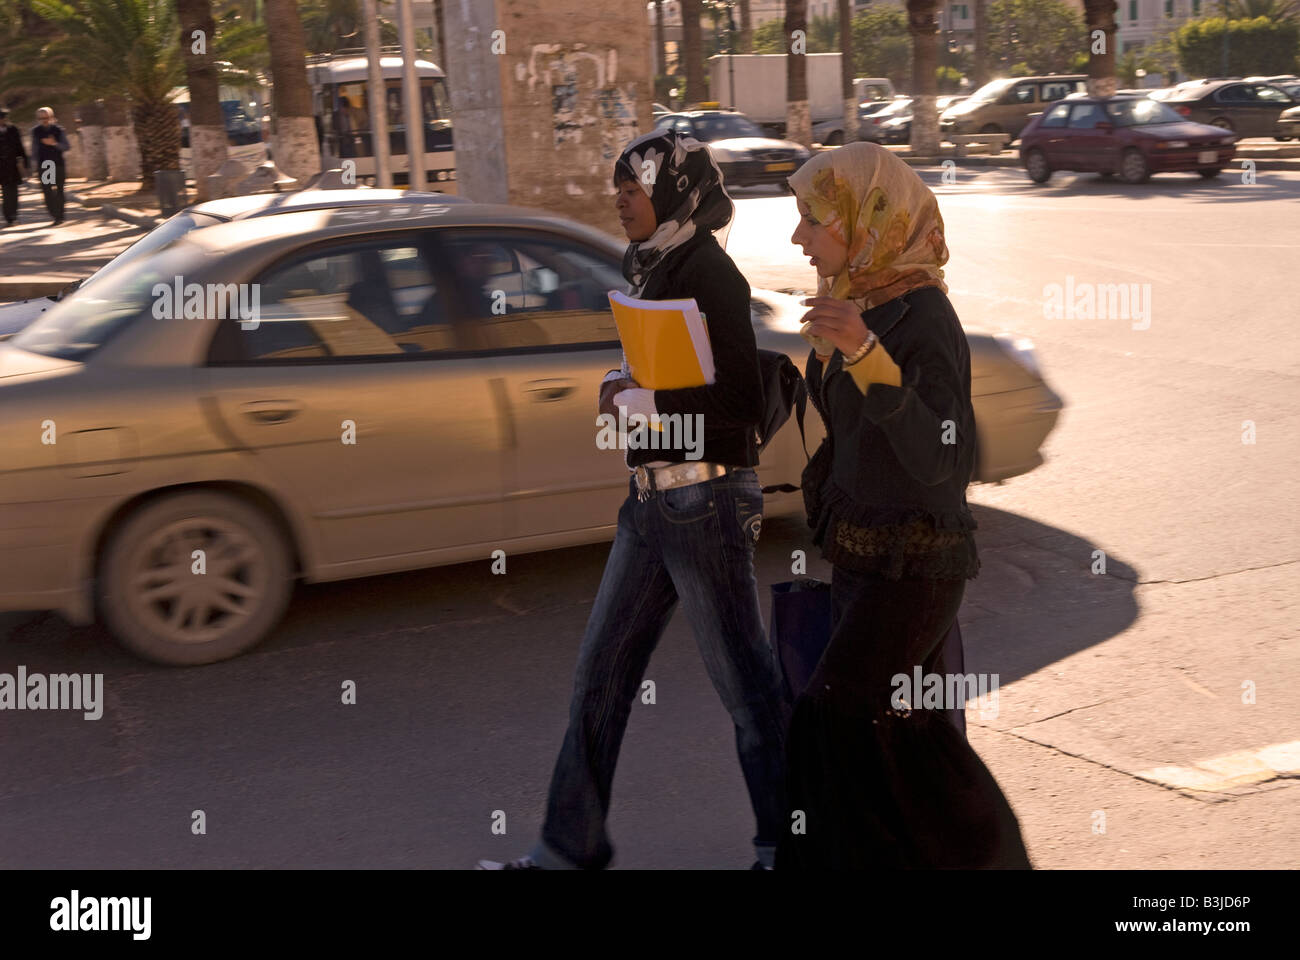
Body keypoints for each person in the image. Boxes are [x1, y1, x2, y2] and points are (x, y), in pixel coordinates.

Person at [478, 128, 788, 870]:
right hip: (652, 503)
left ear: (676, 193)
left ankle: (789, 848)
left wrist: (650, 402)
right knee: (600, 678)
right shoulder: (654, 267)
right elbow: (665, 382)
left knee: (748, 694)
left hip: (706, 503)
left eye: (634, 189)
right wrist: (625, 392)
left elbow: (741, 404)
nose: (620, 202)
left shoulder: (712, 275)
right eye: (617, 188)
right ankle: (566, 849)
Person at [778, 142, 1030, 869]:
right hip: (863, 558)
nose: (799, 237)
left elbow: (942, 459)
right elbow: (850, 438)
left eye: (811, 218)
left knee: (830, 718)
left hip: (913, 568)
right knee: (909, 738)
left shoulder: (922, 317)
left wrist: (864, 356)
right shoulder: (859, 304)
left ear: (866, 221)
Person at [30, 106, 70, 225]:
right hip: (45, 165)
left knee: (59, 191)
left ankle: (60, 216)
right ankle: (55, 214)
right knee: (47, 191)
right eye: (41, 118)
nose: (44, 120)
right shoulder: (35, 131)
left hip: (57, 164)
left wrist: (54, 143)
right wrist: (34, 166)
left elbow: (66, 146)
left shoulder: (58, 130)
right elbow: (34, 149)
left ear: (51, 117)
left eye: (46, 117)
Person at [0, 108, 28, 226]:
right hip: (1, 167)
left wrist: (25, 160)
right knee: (6, 192)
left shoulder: (13, 130)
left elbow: (19, 146)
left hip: (12, 165)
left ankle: (13, 215)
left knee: (14, 192)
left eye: (4, 118)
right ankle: (9, 217)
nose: (3, 120)